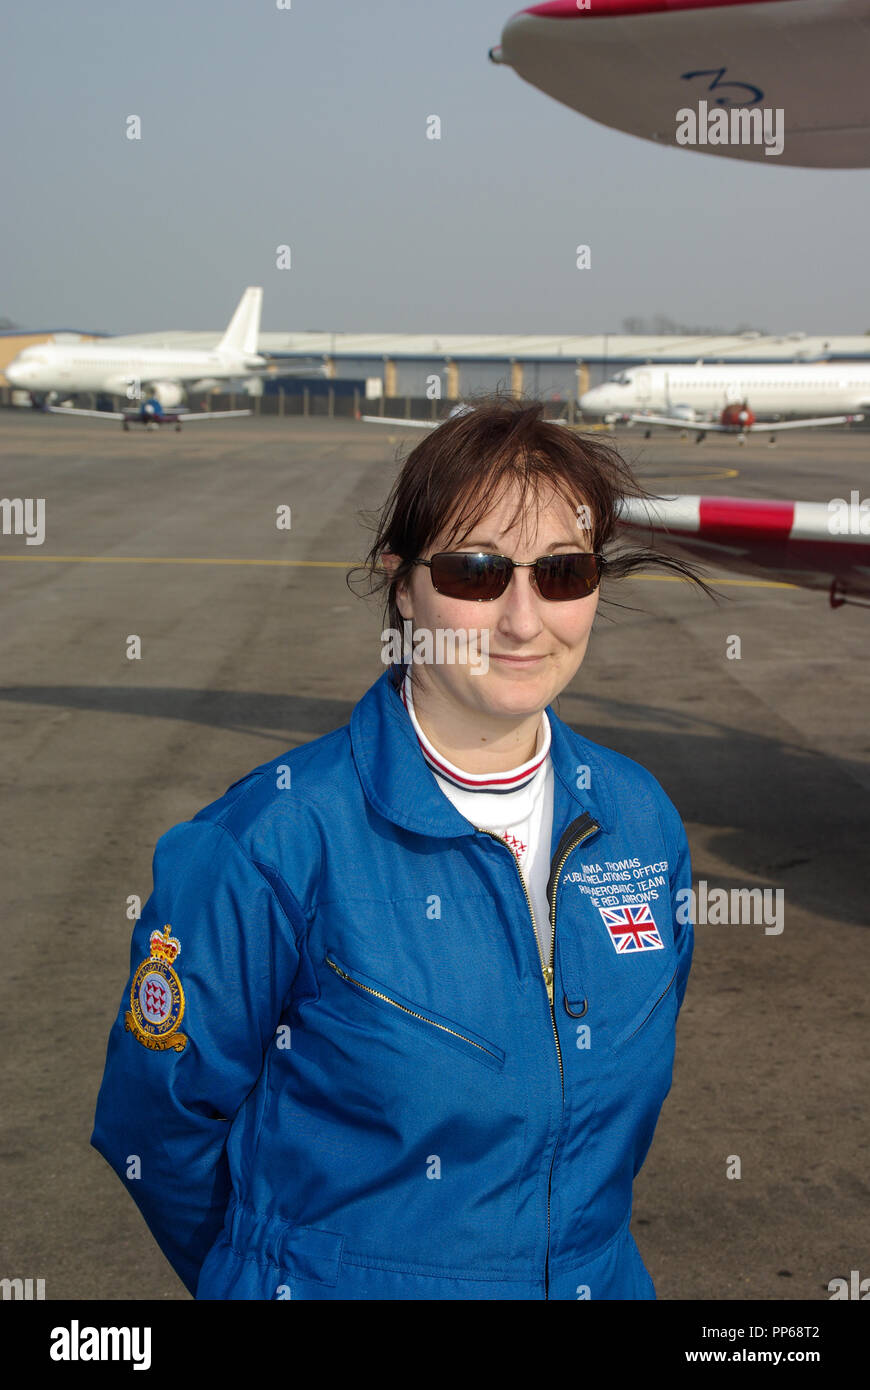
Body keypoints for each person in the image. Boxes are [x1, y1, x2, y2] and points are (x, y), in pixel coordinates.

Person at [92, 397, 711, 1301]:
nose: (524, 621)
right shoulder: (273, 843)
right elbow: (157, 1130)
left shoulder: (639, 821)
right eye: (475, 573)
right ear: (402, 583)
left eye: (563, 573)